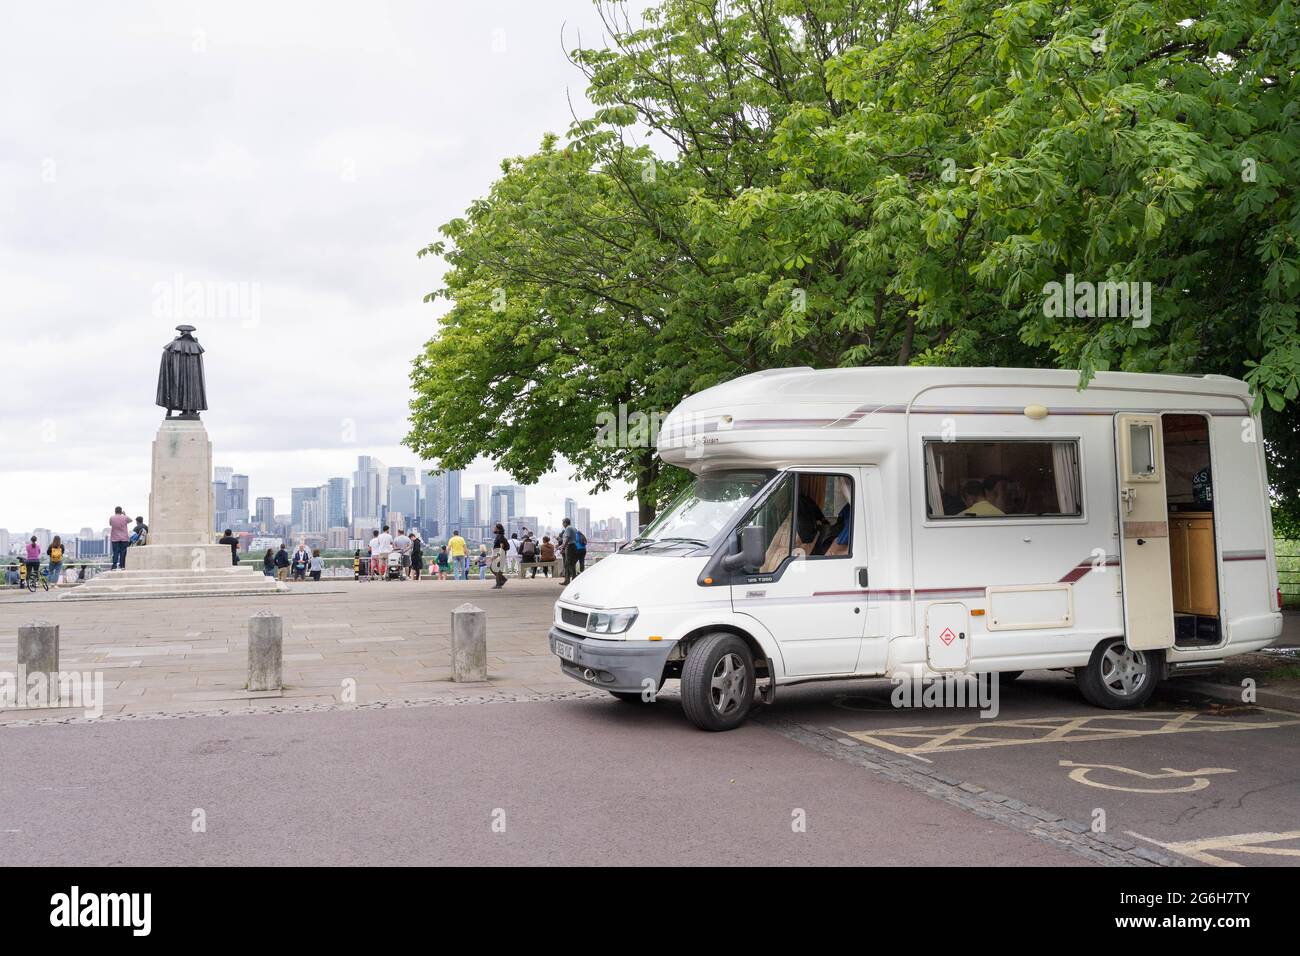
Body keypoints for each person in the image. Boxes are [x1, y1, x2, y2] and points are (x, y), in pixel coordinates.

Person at [557, 518, 577, 585]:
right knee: (571, 564)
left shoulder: (568, 528)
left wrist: (563, 547)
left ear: (565, 523)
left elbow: (567, 538)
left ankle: (568, 580)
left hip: (570, 547)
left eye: (563, 523)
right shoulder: (573, 528)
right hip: (573, 546)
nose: (562, 524)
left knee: (568, 564)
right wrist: (562, 546)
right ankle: (572, 579)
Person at [490, 523, 509, 589]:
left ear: (498, 529)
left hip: (500, 555)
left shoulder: (500, 536)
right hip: (498, 554)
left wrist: (498, 555)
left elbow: (502, 546)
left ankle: (498, 584)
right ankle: (502, 580)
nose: (494, 529)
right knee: (493, 568)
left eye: (495, 528)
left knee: (497, 569)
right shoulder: (498, 536)